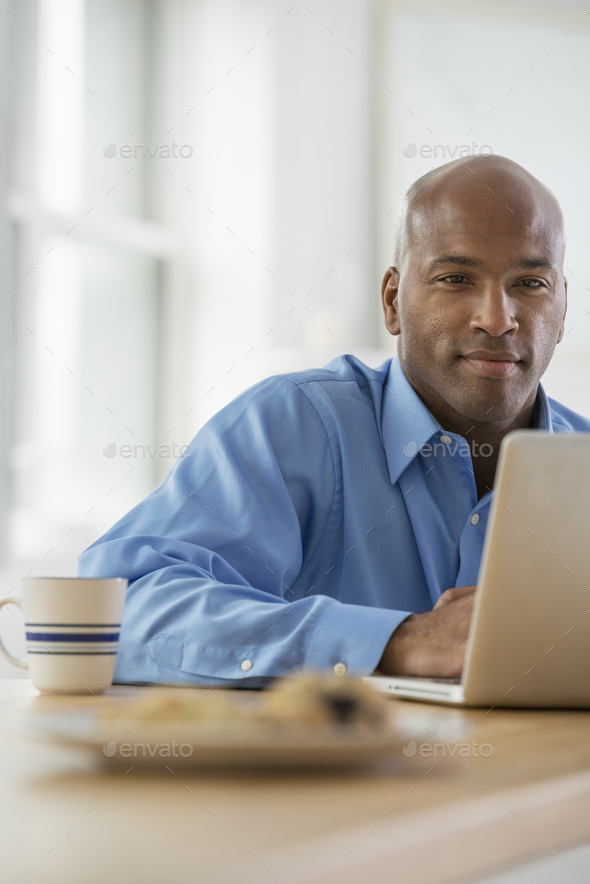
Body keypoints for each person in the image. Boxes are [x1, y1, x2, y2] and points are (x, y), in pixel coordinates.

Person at [78, 155, 590, 687]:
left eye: (530, 284)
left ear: (561, 308)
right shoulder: (291, 428)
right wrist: (396, 641)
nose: (497, 318)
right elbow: (116, 605)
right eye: (456, 278)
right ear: (393, 302)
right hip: (323, 772)